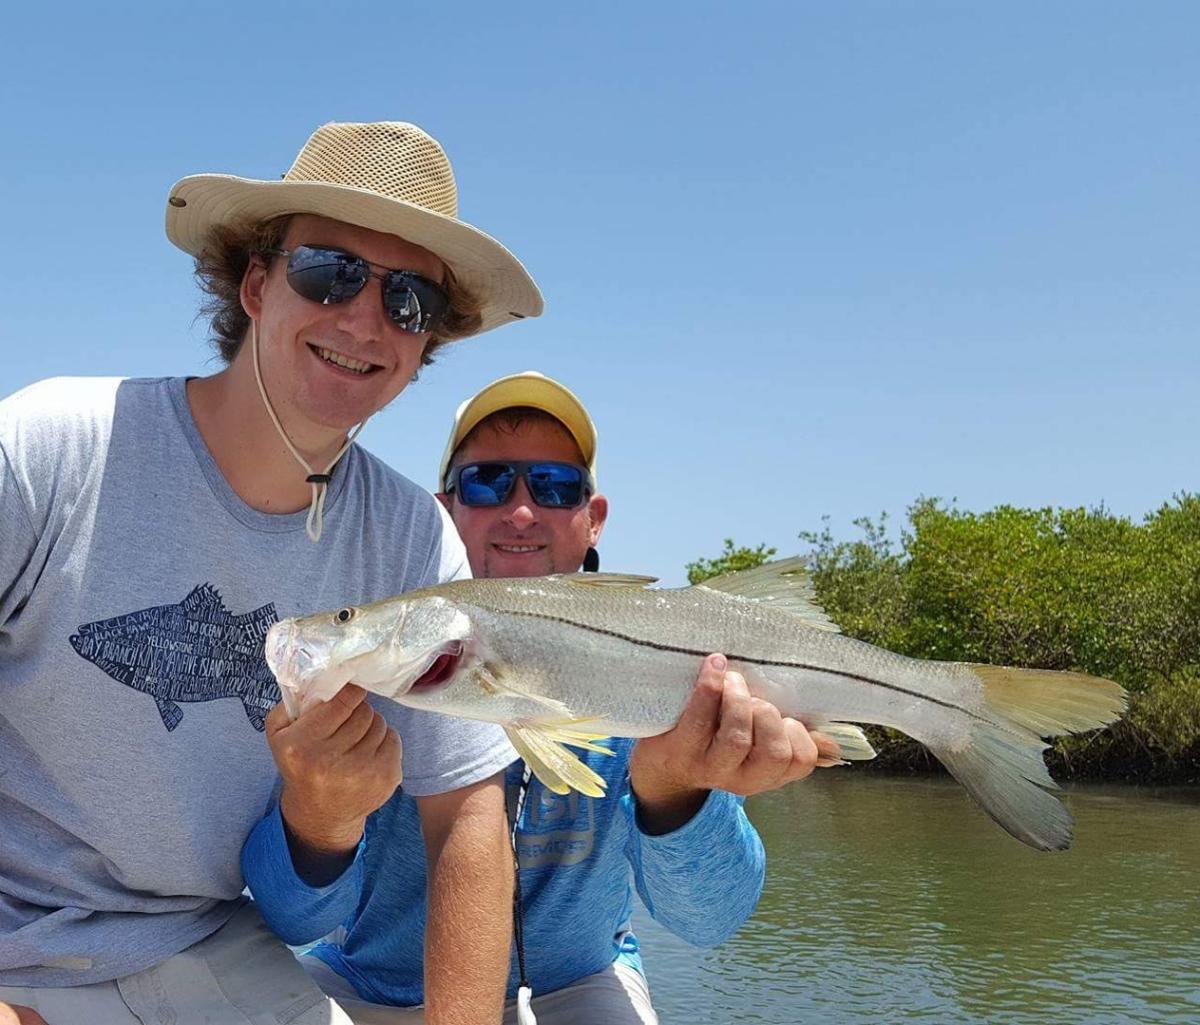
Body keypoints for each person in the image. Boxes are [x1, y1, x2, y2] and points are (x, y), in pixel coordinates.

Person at [0, 122, 544, 1025]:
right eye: (330, 272)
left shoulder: (413, 539)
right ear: (255, 285)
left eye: (409, 299)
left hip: (213, 944)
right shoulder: (48, 447)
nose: (365, 318)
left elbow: (467, 816)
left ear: (423, 347)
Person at [242, 371, 841, 1024]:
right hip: (373, 985)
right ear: (443, 510)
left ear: (594, 519)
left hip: (584, 984)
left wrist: (676, 794)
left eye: (555, 486)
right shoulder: (370, 679)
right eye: (488, 482)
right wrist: (320, 816)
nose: (522, 511)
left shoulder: (667, 669)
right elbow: (291, 920)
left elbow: (710, 919)